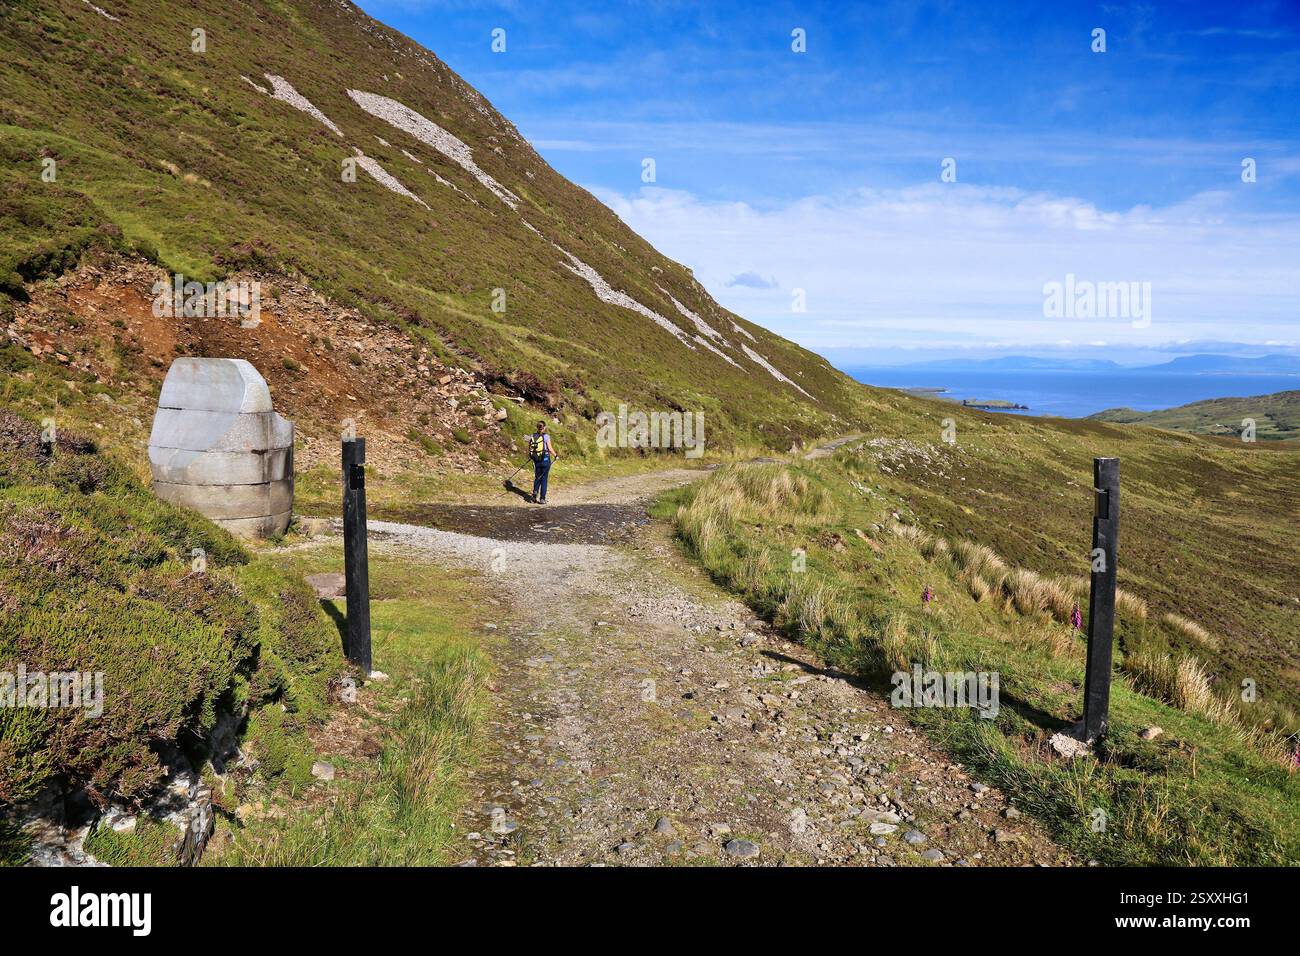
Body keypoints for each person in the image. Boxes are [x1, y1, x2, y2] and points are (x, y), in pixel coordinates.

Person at [527, 420, 558, 504]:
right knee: (544, 479)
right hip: (545, 460)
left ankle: (533, 497)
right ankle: (542, 499)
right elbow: (550, 448)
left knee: (537, 477)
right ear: (544, 428)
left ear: (537, 427)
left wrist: (532, 456)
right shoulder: (546, 436)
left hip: (536, 459)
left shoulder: (533, 436)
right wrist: (555, 455)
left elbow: (530, 447)